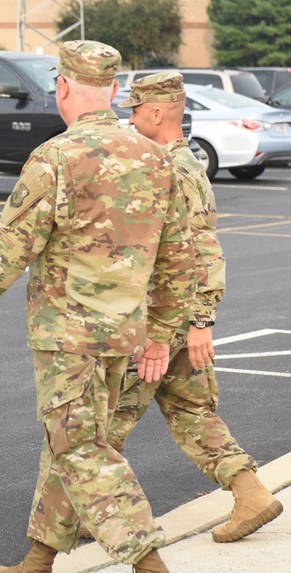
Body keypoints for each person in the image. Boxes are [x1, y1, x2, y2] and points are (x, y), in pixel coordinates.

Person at [0, 41, 196, 573]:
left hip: (68, 335)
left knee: (80, 448)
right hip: (123, 333)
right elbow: (178, 257)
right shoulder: (156, 157)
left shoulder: (55, 158)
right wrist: (161, 331)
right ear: (112, 90)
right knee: (68, 443)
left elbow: (13, 244)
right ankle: (35, 570)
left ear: (62, 87)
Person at [114, 71, 282, 543]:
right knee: (191, 411)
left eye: (134, 111)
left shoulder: (172, 169)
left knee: (103, 420)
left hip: (159, 322)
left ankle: (93, 516)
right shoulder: (180, 163)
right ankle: (251, 494)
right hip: (176, 318)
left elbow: (202, 249)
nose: (130, 120)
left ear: (156, 112)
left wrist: (200, 322)